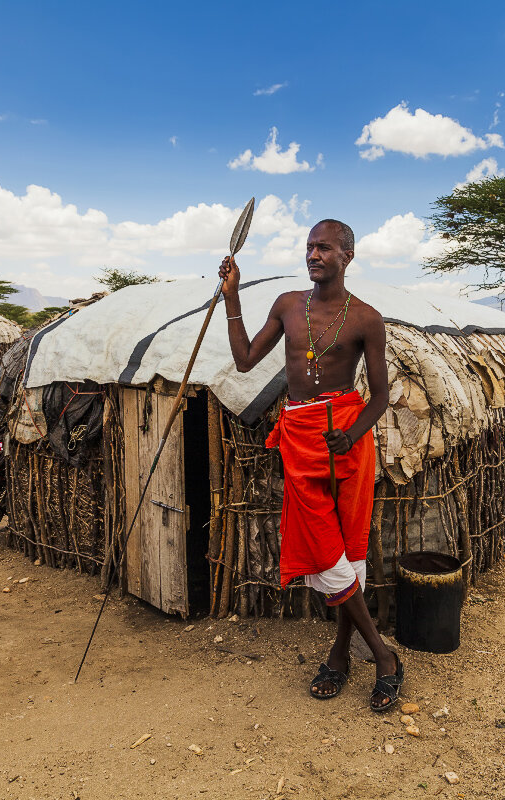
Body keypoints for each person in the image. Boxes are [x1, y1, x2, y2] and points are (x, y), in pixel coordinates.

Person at [218, 219, 403, 712]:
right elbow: (243, 361)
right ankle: (384, 658)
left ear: (348, 255)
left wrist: (352, 435)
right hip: (300, 439)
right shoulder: (286, 305)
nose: (313, 254)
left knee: (349, 550)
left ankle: (340, 655)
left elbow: (381, 396)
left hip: (346, 440)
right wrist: (232, 300)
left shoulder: (366, 318)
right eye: (309, 247)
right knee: (327, 550)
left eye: (324, 248)